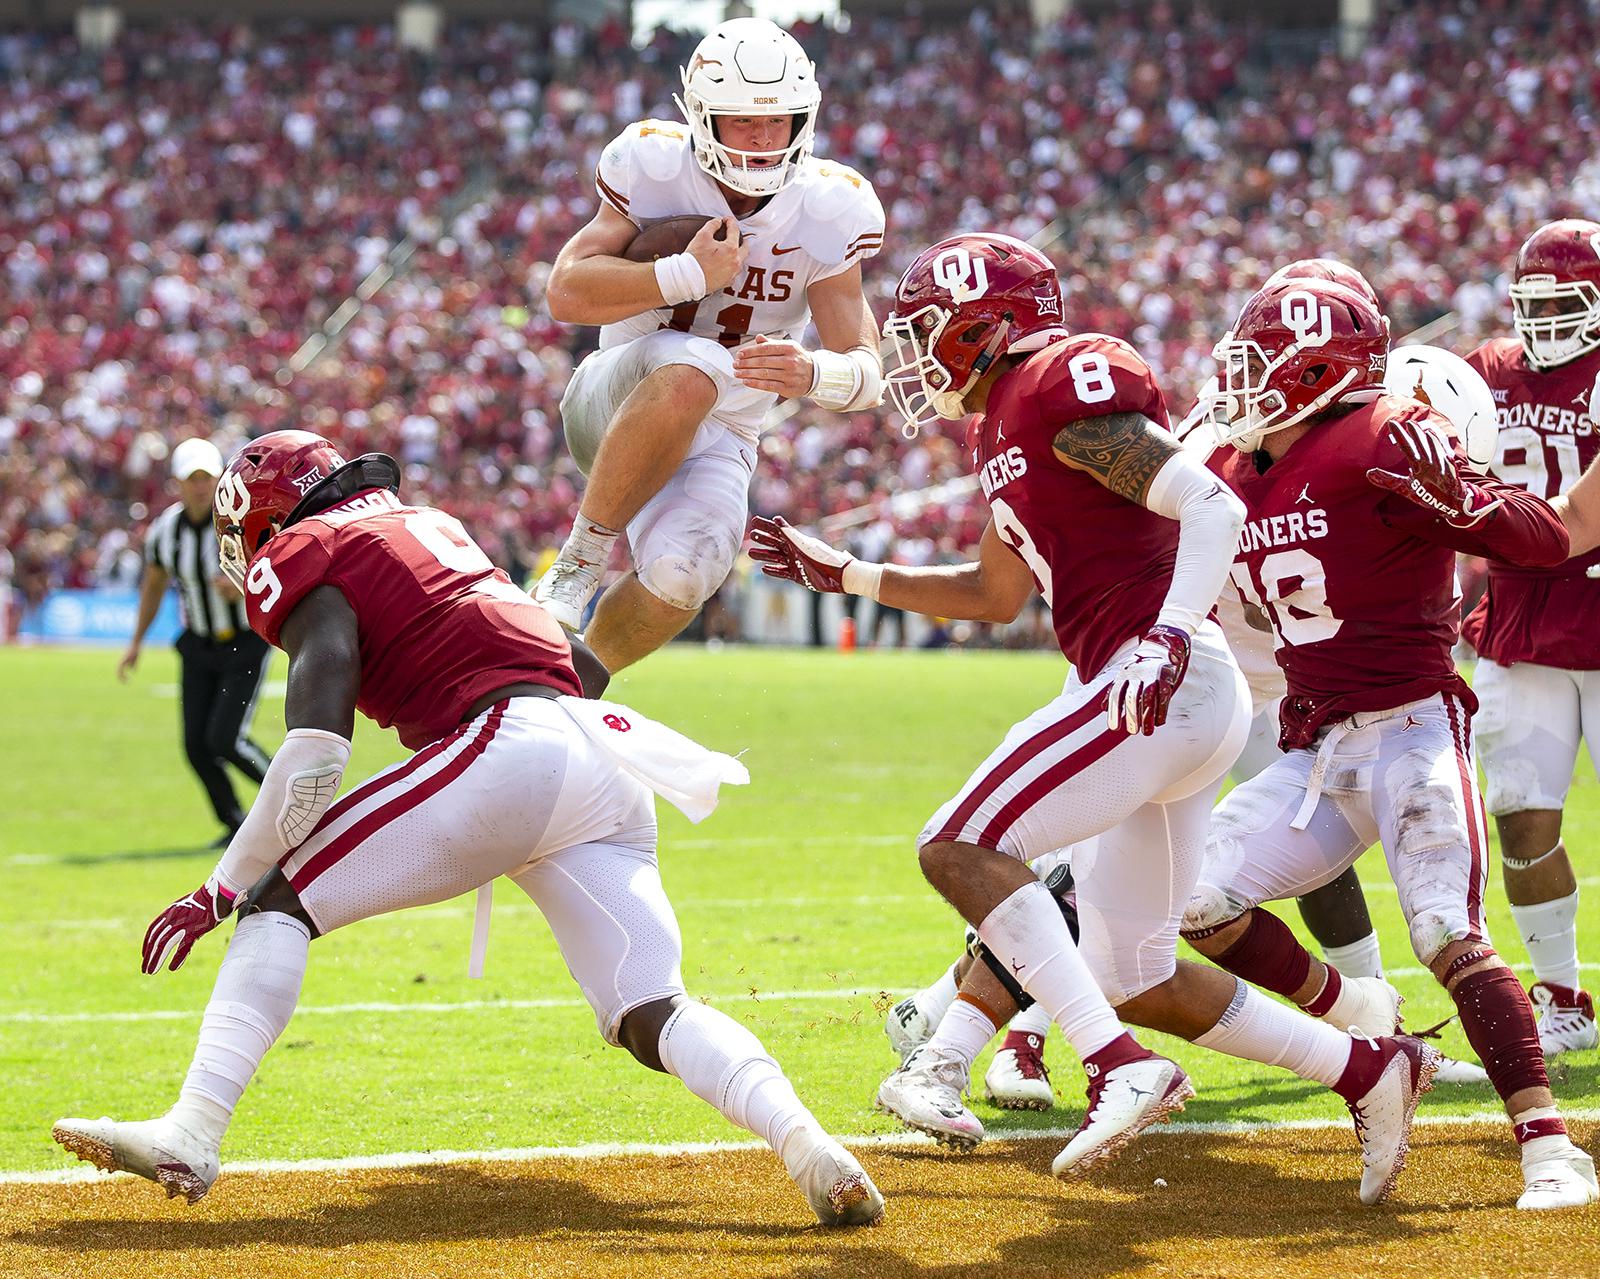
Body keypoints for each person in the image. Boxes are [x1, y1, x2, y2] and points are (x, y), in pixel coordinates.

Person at [53, 430, 884, 1228]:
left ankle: (193, 1132)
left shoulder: (310, 552)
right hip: (597, 750)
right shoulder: (428, 526)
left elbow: (313, 755)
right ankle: (812, 1148)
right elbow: (546, 652)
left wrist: (219, 885)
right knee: (651, 1007)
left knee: (276, 900)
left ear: (272, 516)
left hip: (504, 747)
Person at [752, 234, 1435, 1203]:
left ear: (990, 327)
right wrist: (848, 573)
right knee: (1135, 970)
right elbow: (993, 593)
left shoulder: (1057, 382)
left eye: (930, 334)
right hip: (1167, 692)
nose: (916, 358)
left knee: (956, 844)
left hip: (1152, 677)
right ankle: (1368, 1069)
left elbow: (1209, 506)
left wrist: (1161, 635)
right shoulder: (1003, 422)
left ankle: (1115, 1063)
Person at [1178, 275, 1595, 1210]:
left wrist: (1465, 490)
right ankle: (1364, 1025)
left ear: (1323, 373)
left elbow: (1540, 541)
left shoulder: (1382, 440)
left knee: (1446, 927)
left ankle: (1549, 1147)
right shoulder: (1237, 469)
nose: (1239, 381)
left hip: (1413, 726)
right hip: (1316, 751)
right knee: (1195, 898)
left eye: (1260, 363)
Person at [533, 17, 884, 672]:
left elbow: (867, 372)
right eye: (741, 120)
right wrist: (686, 275)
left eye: (777, 120)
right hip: (616, 397)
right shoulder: (653, 165)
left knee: (687, 573)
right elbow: (566, 292)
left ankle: (563, 691)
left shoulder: (831, 208)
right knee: (697, 364)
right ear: (701, 117)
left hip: (726, 433)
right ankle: (579, 561)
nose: (762, 137)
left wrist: (812, 372)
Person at [1460, 219, 1600, 1056]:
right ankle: (1564, 999)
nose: (1545, 318)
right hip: (1521, 621)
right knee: (1520, 817)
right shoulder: (1486, 372)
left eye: (1565, 301)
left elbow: (1580, 521)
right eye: (1533, 302)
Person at [120, 437, 273, 846]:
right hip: (199, 644)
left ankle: (294, 807)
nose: (201, 486)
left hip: (244, 640)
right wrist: (136, 642)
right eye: (193, 479)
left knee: (225, 738)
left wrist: (243, 587)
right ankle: (236, 823)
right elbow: (154, 585)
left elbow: (279, 571)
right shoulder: (166, 531)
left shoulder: (243, 521)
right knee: (195, 746)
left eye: (207, 477)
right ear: (178, 483)